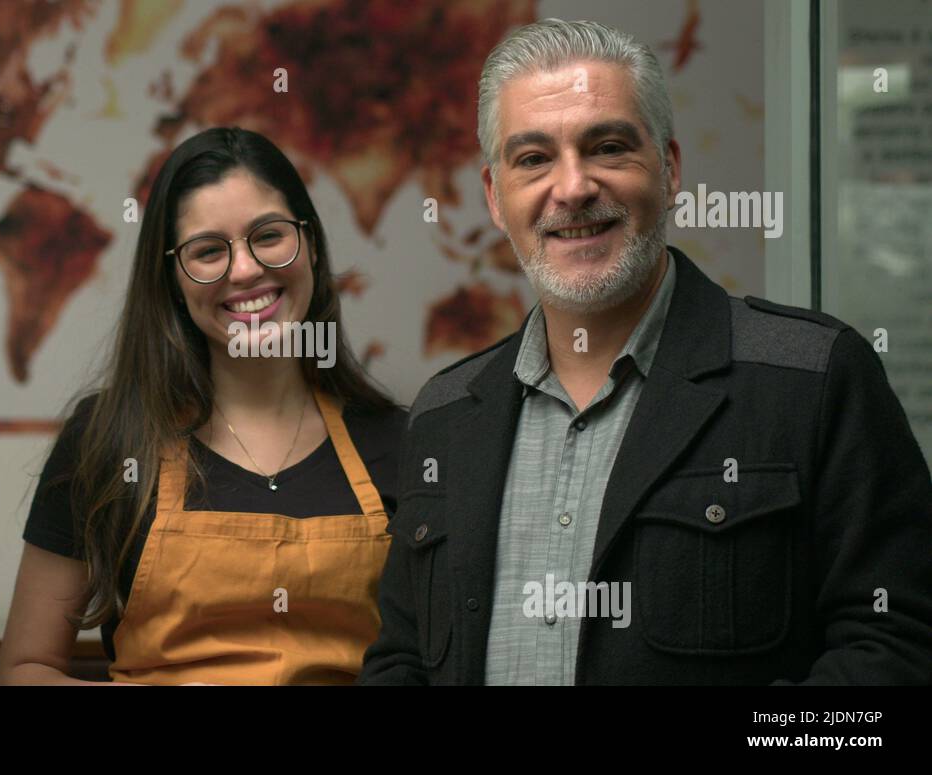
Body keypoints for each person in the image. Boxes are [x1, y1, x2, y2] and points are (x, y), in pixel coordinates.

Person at [360, 18, 932, 685]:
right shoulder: (445, 414)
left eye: (606, 147)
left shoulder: (814, 379)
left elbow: (897, 651)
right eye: (534, 158)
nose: (572, 187)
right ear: (495, 195)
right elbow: (399, 660)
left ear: (669, 168)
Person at [0, 127, 406, 685]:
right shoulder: (108, 439)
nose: (244, 270)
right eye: (208, 251)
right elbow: (25, 671)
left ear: (310, 243)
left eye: (269, 235)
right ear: (171, 278)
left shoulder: (399, 443)